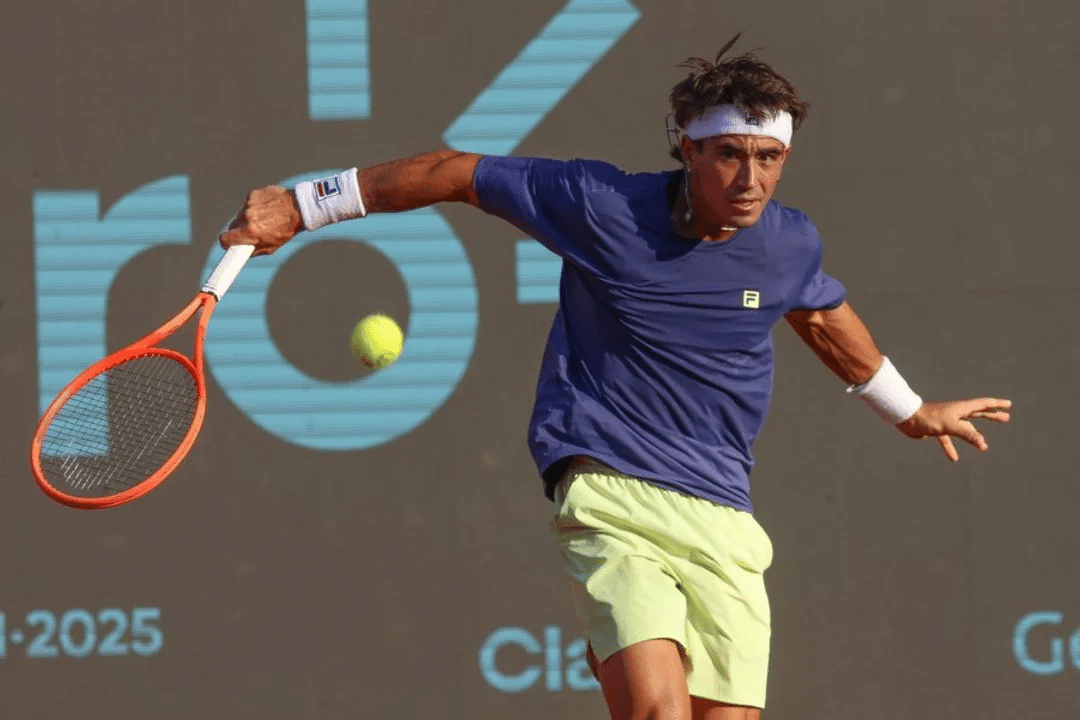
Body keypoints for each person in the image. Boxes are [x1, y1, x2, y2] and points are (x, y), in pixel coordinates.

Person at [220, 35, 1011, 720]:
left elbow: (823, 318)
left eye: (769, 158)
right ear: (688, 149)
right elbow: (455, 172)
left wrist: (911, 411)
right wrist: (303, 204)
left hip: (725, 514)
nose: (751, 178)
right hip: (610, 492)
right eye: (730, 154)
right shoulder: (602, 206)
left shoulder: (788, 244)